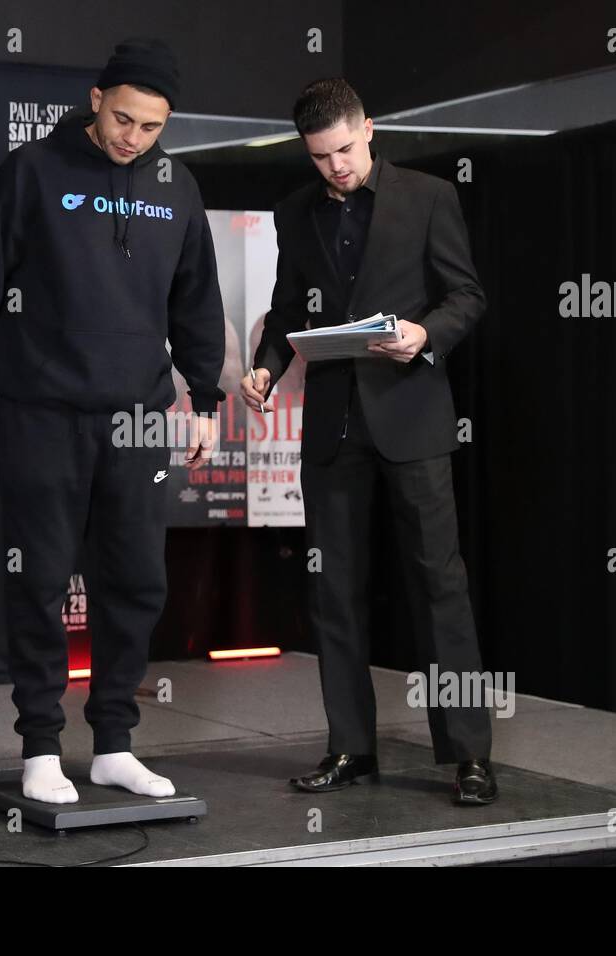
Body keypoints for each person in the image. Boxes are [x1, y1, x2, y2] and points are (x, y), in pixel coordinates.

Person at [0, 38, 225, 804]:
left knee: (135, 581)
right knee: (40, 581)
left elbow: (196, 300)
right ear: (96, 100)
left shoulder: (177, 186)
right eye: (123, 118)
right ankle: (39, 746)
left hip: (137, 419)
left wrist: (206, 397)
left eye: (152, 127)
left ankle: (115, 744)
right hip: (43, 414)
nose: (134, 137)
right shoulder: (32, 171)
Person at [241, 78, 497, 805]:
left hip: (412, 417)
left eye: (346, 150)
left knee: (440, 588)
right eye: (320, 157)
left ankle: (470, 756)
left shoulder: (427, 196)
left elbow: (466, 297)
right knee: (334, 596)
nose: (337, 167)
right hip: (331, 427)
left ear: (370, 131)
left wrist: (424, 337)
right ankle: (351, 749)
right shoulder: (294, 211)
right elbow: (288, 306)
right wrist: (264, 370)